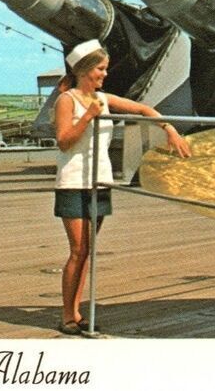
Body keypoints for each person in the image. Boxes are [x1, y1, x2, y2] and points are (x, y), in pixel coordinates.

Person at [53, 39, 190, 335]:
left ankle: (77, 313)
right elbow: (64, 140)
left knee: (88, 250)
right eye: (101, 69)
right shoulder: (67, 101)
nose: (104, 74)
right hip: (74, 182)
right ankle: (67, 315)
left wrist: (169, 128)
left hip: (99, 180)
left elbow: (143, 109)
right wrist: (87, 118)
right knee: (78, 250)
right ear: (85, 70)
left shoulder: (103, 99)